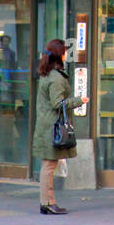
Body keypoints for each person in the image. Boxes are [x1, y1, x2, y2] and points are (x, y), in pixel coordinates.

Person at [32, 38, 88, 214]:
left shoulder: (47, 74)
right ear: (60, 54)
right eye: (64, 52)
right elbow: (58, 103)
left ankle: (47, 201)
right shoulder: (56, 78)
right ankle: (47, 202)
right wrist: (80, 100)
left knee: (48, 164)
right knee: (49, 165)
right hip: (52, 126)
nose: (66, 55)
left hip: (46, 124)